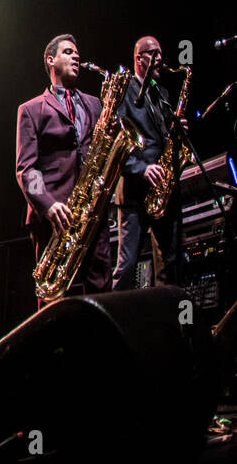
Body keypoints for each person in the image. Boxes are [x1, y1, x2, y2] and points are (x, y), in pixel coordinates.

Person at [15, 34, 113, 296]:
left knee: (101, 293)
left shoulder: (95, 104)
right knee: (54, 297)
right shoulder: (31, 109)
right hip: (55, 218)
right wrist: (47, 205)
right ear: (51, 60)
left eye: (77, 54)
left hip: (93, 213)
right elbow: (27, 167)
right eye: (68, 52)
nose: (76, 57)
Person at [111, 36, 183, 288]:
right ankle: (118, 322)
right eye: (153, 53)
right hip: (134, 190)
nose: (160, 59)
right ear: (138, 58)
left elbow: (161, 139)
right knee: (128, 265)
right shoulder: (124, 90)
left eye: (162, 53)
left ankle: (164, 320)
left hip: (163, 188)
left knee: (169, 261)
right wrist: (142, 168)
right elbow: (116, 142)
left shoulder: (161, 93)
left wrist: (176, 132)